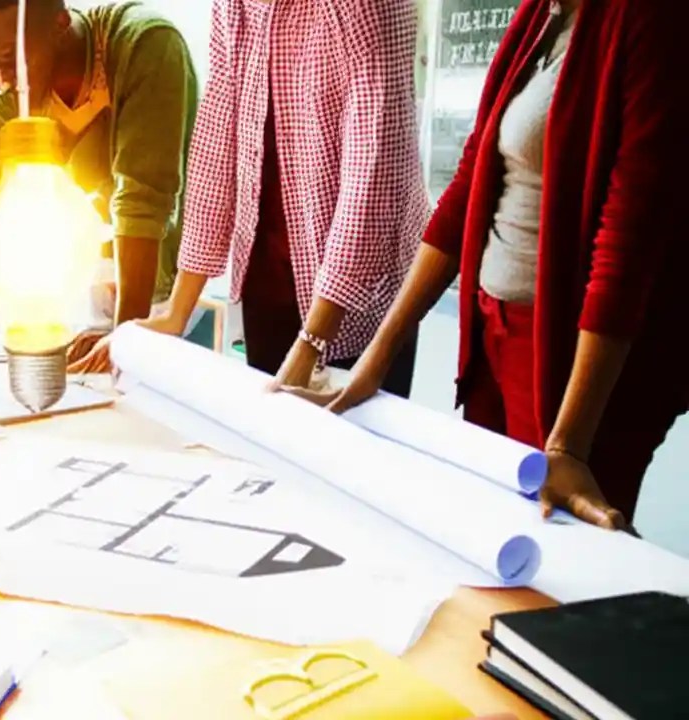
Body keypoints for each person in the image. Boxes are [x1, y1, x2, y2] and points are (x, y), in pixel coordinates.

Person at [296, 0, 688, 529]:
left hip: (577, 366)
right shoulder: (540, 15)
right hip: (495, 340)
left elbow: (628, 242)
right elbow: (468, 186)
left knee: (559, 567)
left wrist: (570, 444)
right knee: (489, 541)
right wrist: (377, 358)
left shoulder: (653, 20)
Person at [76, 0, 429, 393]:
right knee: (267, 440)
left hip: (363, 296)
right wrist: (177, 310)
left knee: (351, 446)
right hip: (270, 283)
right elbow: (217, 142)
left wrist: (312, 341)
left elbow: (375, 174)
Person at [0, 0, 198, 364]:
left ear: (60, 25)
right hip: (103, 288)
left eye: (10, 61)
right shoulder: (5, 90)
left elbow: (141, 203)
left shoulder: (147, 46)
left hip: (170, 290)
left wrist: (124, 345)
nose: (2, 80)